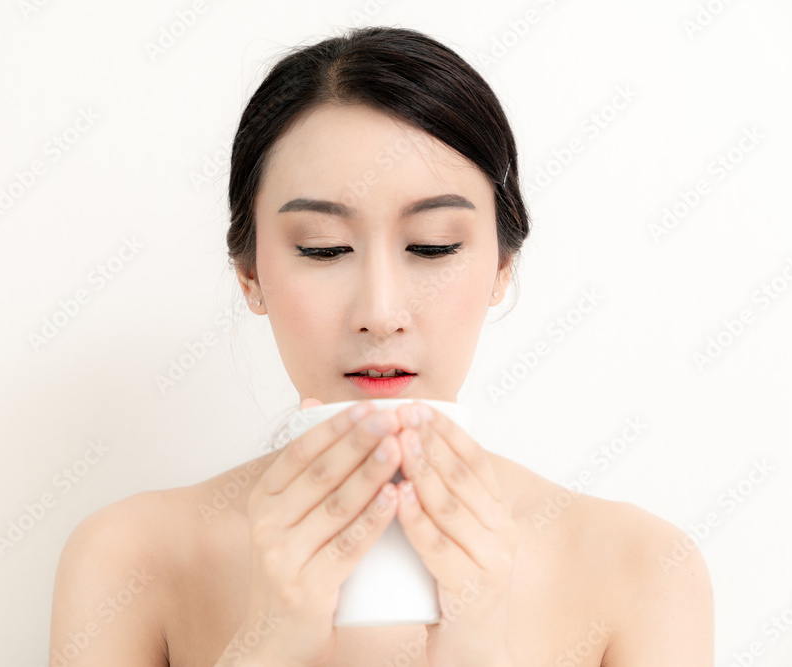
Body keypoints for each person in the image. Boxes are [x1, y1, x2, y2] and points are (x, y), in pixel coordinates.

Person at [49, 26, 713, 666]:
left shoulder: (641, 567)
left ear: (501, 268)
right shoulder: (130, 559)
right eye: (323, 248)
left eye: (433, 246)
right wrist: (268, 647)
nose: (380, 312)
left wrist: (479, 654)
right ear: (251, 273)